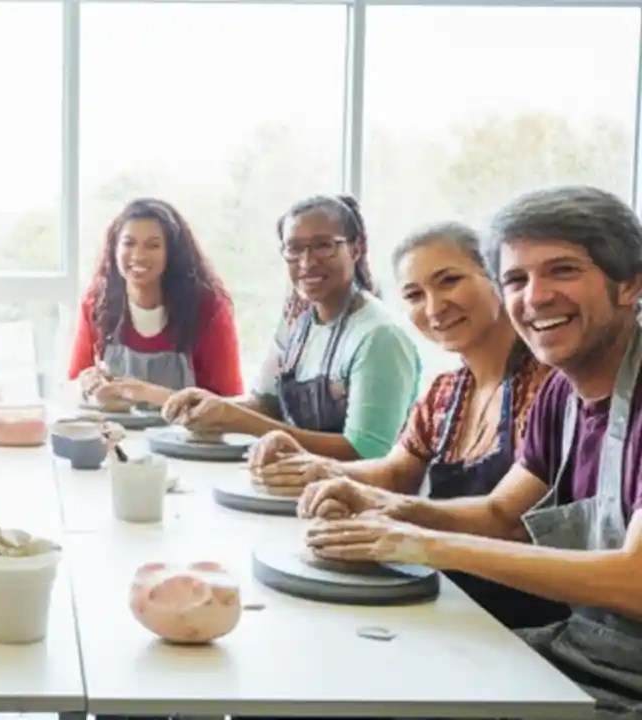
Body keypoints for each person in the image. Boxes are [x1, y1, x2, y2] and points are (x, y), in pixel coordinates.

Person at [302, 186, 642, 718]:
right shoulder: (562, 392)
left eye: (563, 270)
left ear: (629, 286)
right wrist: (390, 509)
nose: (536, 296)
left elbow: (635, 579)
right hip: (581, 653)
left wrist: (421, 544)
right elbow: (504, 515)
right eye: (517, 279)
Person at [250, 221, 566, 629]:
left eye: (449, 281)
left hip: (521, 619)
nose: (434, 308)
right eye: (415, 295)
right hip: (449, 598)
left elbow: (504, 518)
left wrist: (383, 507)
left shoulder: (550, 388)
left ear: (497, 279)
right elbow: (398, 470)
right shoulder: (446, 391)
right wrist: (319, 468)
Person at [163, 194, 420, 461]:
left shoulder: (379, 336)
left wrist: (237, 419)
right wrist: (212, 406)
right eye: (294, 249)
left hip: (358, 495)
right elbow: (266, 403)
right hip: (299, 482)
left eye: (323, 246)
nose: (307, 262)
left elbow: (365, 452)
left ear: (356, 249)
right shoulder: (297, 321)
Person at [68, 198, 243, 408]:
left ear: (172, 253)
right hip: (116, 436)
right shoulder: (97, 303)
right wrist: (88, 386)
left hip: (187, 439)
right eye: (129, 243)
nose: (138, 256)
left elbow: (230, 406)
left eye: (153, 245)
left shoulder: (208, 309)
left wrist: (144, 393)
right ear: (114, 248)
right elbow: (74, 385)